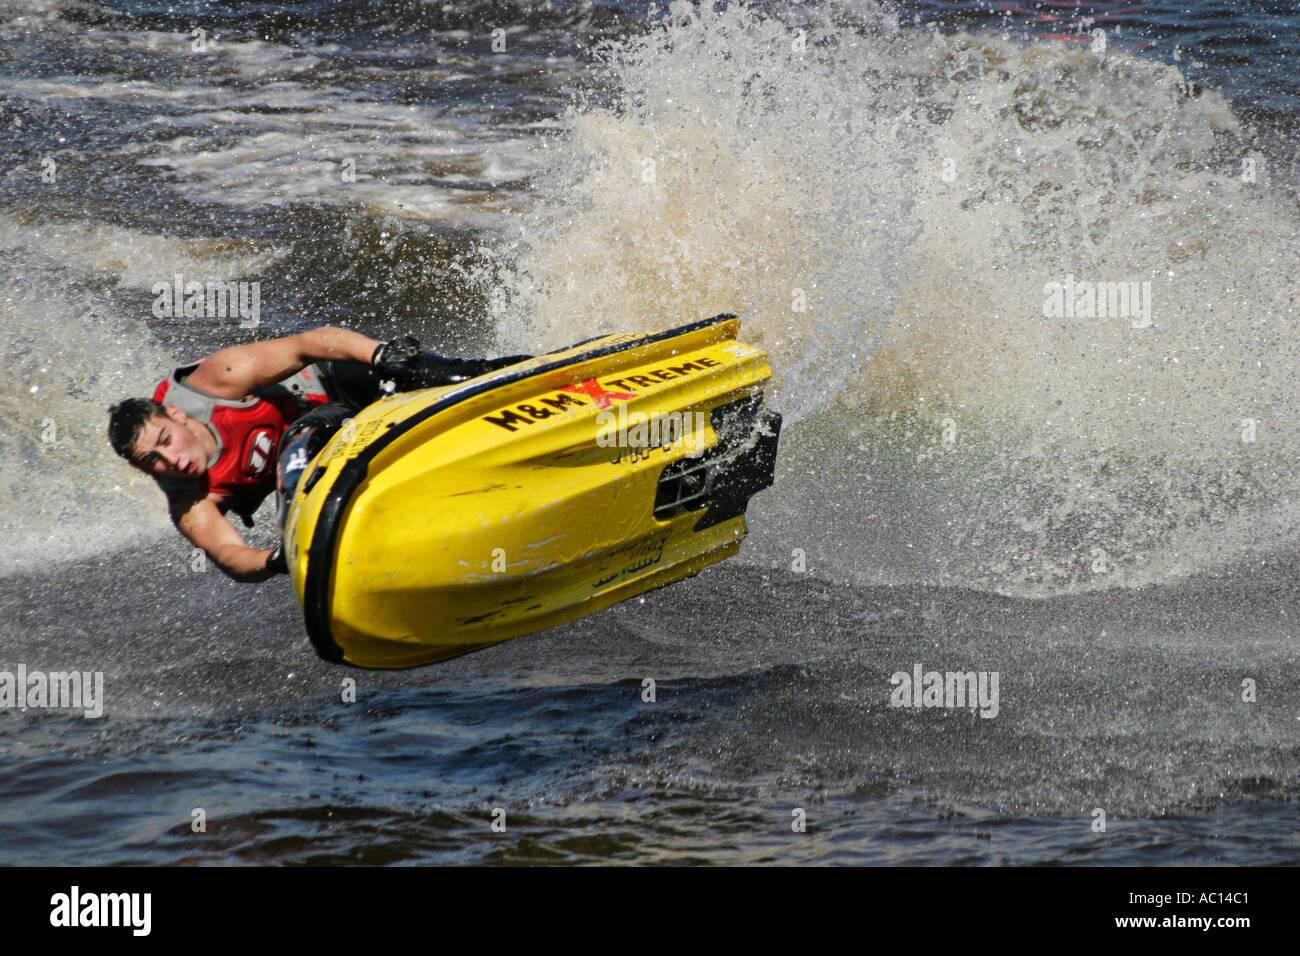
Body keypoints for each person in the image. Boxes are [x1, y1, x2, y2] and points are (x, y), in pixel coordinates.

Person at [107, 326, 529, 582]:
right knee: (302, 443)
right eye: (152, 463)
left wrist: (381, 355)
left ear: (176, 416)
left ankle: (552, 373)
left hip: (336, 386)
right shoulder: (189, 503)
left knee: (450, 376)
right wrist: (278, 559)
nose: (171, 462)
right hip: (312, 446)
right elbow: (232, 558)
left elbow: (309, 343)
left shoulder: (221, 377)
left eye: (165, 441)